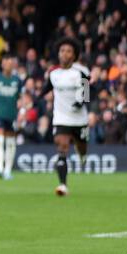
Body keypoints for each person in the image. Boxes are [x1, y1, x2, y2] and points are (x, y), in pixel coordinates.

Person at [45, 38, 90, 197]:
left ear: (74, 55)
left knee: (82, 147)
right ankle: (63, 185)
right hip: (61, 117)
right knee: (62, 146)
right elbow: (46, 89)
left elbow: (87, 94)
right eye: (62, 50)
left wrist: (80, 102)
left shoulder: (81, 72)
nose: (65, 54)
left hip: (79, 119)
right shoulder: (53, 74)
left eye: (69, 51)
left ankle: (82, 155)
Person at [0, 54, 24, 179]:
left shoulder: (18, 80)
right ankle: (0, 169)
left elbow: (21, 97)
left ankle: (7, 170)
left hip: (11, 114)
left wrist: (22, 111)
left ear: (13, 65)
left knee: (11, 143)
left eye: (10, 62)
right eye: (6, 62)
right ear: (2, 64)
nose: (8, 64)